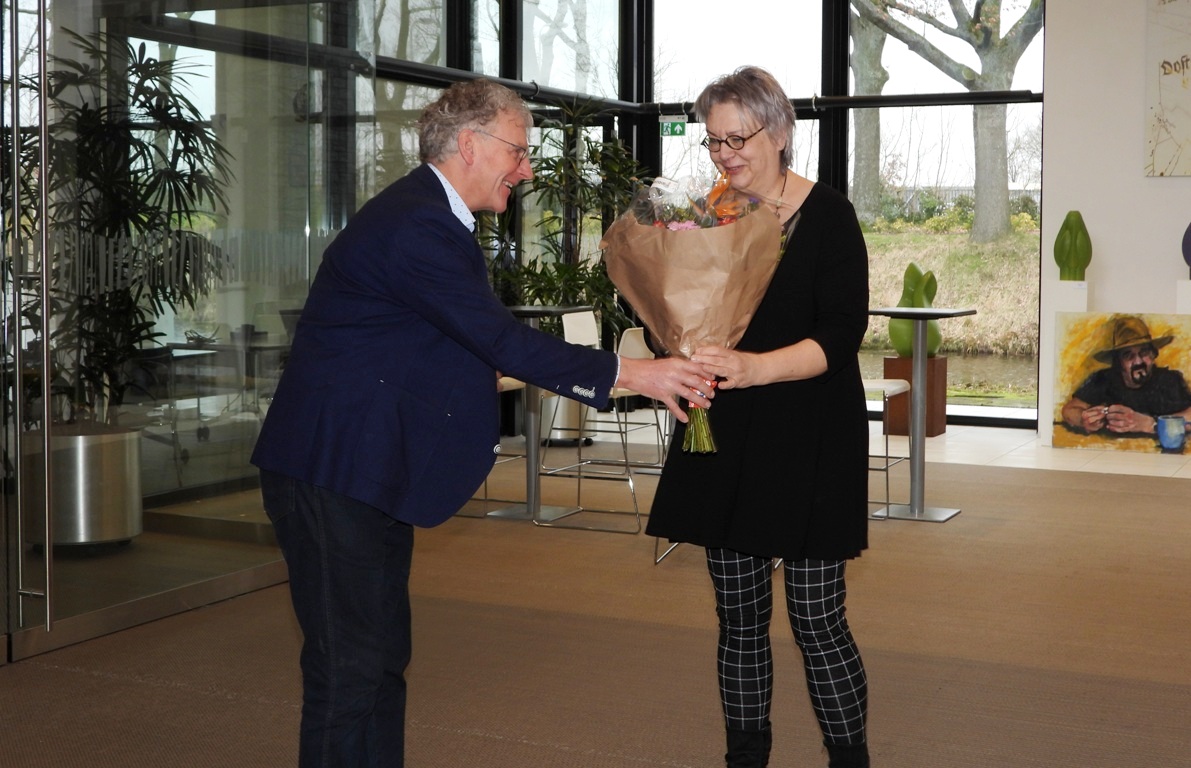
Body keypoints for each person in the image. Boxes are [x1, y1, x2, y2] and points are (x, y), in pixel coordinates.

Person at [250, 78, 714, 768]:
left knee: (379, 659)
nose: (525, 171)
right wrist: (635, 373)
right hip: (332, 469)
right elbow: (497, 337)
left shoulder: (431, 220)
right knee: (349, 670)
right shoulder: (415, 225)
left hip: (366, 468)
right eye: (518, 153)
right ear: (470, 144)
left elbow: (431, 342)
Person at [645, 67, 872, 768]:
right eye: (712, 141)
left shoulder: (828, 215)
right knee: (738, 620)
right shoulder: (705, 214)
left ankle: (848, 758)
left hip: (811, 430)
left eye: (735, 138)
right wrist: (673, 342)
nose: (723, 155)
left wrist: (753, 366)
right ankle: (744, 757)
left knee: (815, 618)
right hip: (728, 431)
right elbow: (670, 310)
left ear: (778, 132)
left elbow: (840, 335)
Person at [1060, 314, 1191, 436]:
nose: (1138, 361)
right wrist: (1084, 419)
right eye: (1129, 355)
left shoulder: (1170, 380)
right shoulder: (1103, 379)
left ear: (1153, 354)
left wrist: (1150, 424)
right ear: (1118, 362)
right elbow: (1069, 411)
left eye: (1144, 352)